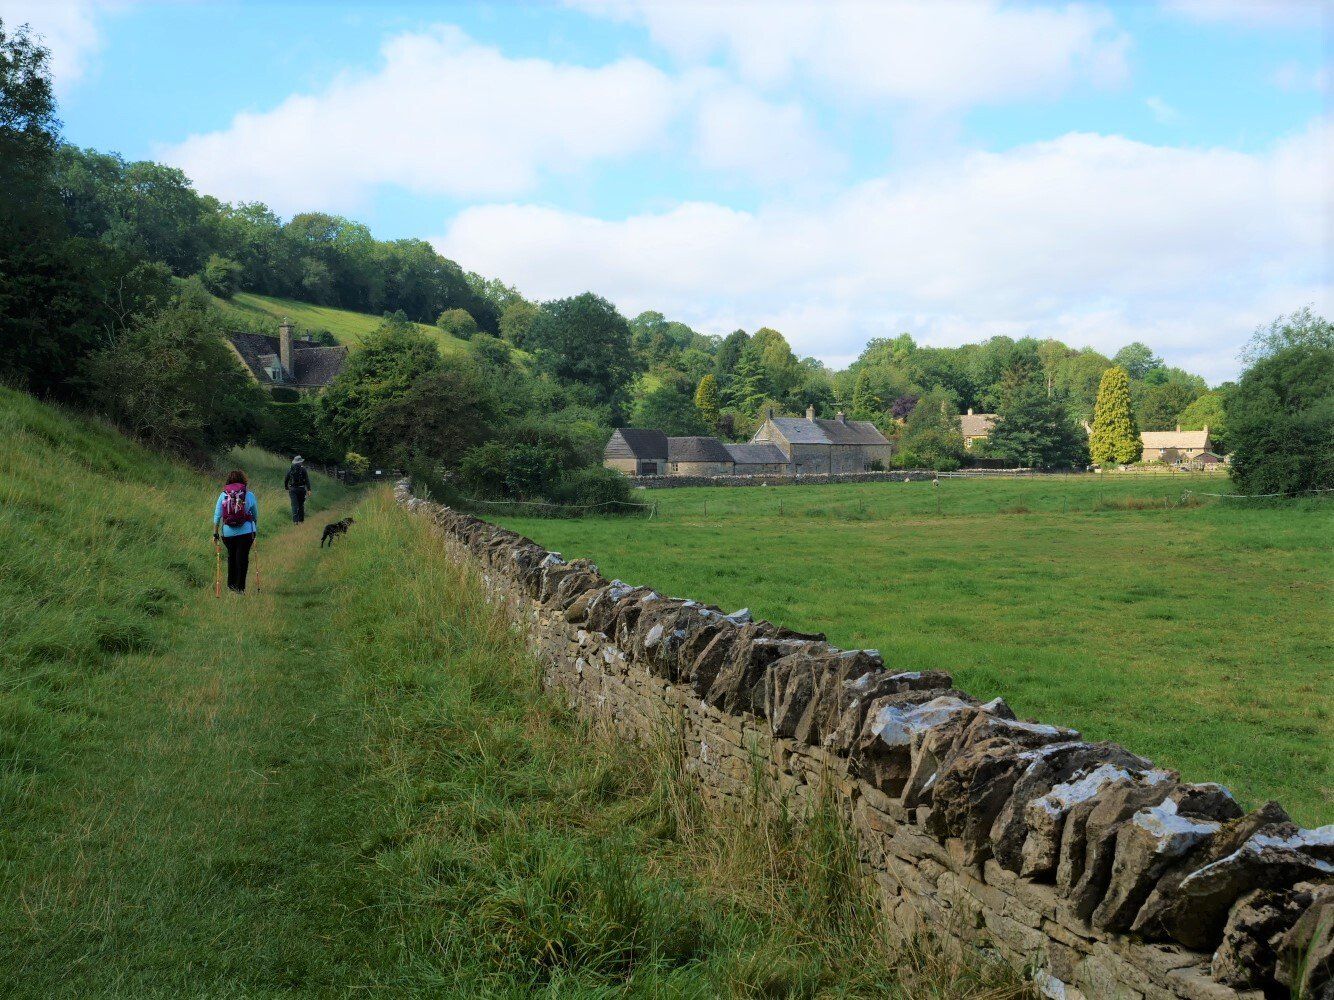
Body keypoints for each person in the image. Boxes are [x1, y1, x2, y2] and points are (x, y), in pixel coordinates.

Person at [213, 470, 258, 593]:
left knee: (231, 557)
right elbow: (255, 514)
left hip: (227, 533)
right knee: (242, 559)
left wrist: (215, 533)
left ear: (228, 481)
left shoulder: (223, 495)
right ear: (243, 481)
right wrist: (255, 529)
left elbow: (217, 516)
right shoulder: (249, 495)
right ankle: (240, 588)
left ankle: (231, 585)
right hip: (246, 533)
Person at [284, 455, 311, 524]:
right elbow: (307, 480)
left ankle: (295, 521)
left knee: (294, 505)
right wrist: (309, 489)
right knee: (301, 505)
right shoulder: (303, 469)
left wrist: (286, 487)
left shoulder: (290, 469)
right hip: (301, 489)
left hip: (292, 489)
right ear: (300, 462)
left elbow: (286, 479)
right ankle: (301, 520)